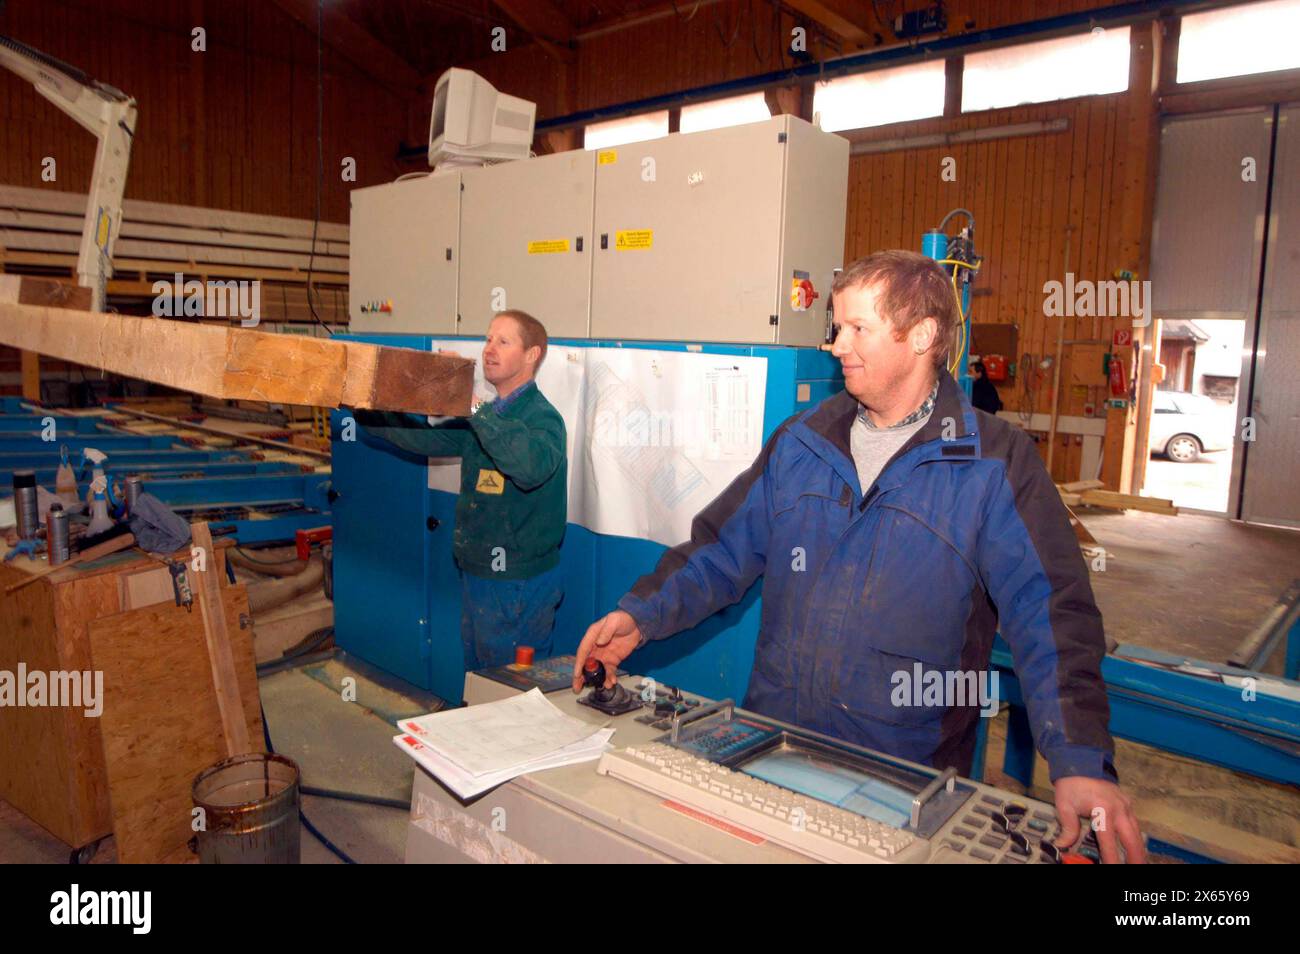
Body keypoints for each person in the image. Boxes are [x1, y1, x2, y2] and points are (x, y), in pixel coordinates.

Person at [574, 250, 1145, 863]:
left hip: (906, 774)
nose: (836, 344)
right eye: (836, 326)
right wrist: (641, 616)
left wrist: (1079, 759)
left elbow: (1050, 611)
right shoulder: (802, 440)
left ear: (921, 335)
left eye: (857, 328)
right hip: (774, 746)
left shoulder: (992, 462)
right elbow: (719, 551)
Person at [356, 310, 566, 669]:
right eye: (488, 339)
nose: (489, 349)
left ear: (532, 355)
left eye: (503, 341)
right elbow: (423, 438)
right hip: (478, 574)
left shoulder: (543, 419)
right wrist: (363, 407)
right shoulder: (486, 417)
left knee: (512, 688)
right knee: (479, 678)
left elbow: (528, 468)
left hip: (516, 581)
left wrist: (472, 403)